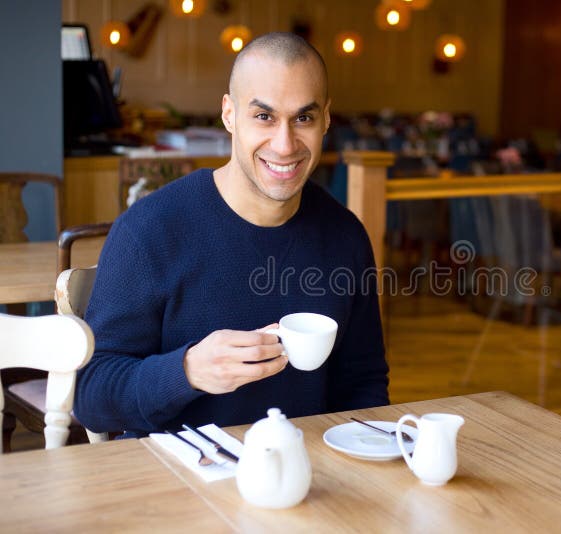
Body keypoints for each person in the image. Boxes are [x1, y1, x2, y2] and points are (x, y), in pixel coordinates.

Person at [74, 33, 389, 437]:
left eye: (303, 118)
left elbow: (364, 384)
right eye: (264, 117)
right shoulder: (150, 230)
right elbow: (93, 397)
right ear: (229, 114)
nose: (284, 143)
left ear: (326, 119)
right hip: (180, 483)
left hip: (309, 478)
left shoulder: (345, 236)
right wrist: (186, 371)